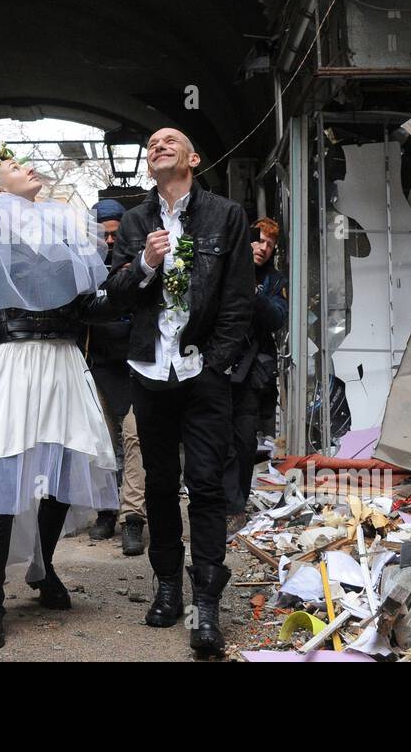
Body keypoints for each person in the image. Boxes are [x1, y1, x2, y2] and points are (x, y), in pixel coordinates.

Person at [0, 145, 120, 650]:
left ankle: (42, 567)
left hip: (62, 361)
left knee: (60, 471)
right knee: (2, 470)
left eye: (27, 164)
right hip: (11, 363)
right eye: (16, 167)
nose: (29, 168)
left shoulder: (67, 225)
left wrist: (143, 272)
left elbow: (91, 306)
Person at [103, 128, 254, 657]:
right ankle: (168, 587)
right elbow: (112, 294)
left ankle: (206, 604)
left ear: (192, 158)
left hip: (201, 373)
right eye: (151, 144)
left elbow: (238, 300)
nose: (157, 144)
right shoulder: (138, 222)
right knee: (161, 485)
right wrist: (144, 263)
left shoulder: (225, 216)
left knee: (208, 484)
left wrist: (215, 365)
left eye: (170, 139)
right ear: (150, 167)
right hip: (149, 370)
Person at [85, 198, 146, 556]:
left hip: (137, 364)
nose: (109, 241)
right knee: (103, 443)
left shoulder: (140, 263)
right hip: (99, 365)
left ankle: (133, 518)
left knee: (134, 437)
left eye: (115, 233)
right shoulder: (83, 268)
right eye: (103, 234)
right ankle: (106, 509)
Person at [224, 217, 288, 535]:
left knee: (244, 440)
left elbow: (277, 317)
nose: (263, 249)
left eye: (270, 245)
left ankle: (235, 508)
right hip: (216, 366)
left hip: (250, 374)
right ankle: (216, 504)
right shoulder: (224, 266)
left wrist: (254, 292)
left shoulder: (273, 280)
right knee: (216, 439)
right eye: (259, 240)